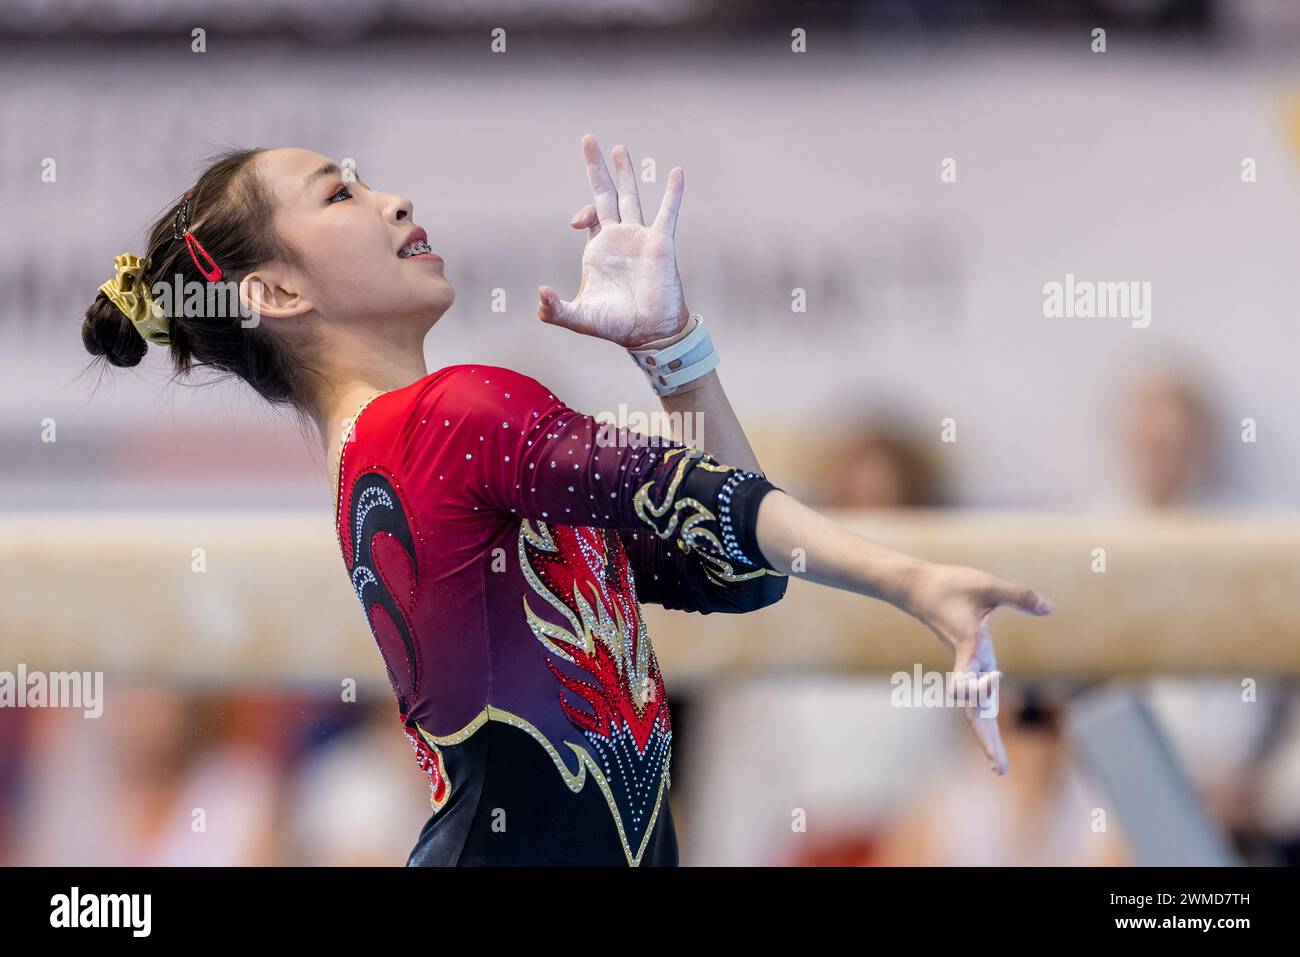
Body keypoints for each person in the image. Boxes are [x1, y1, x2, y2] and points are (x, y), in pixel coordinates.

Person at [81, 136, 1053, 866]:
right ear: (279, 291)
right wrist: (911, 577)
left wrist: (675, 353)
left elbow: (734, 566)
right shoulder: (450, 416)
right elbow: (704, 498)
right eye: (340, 193)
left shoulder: (411, 457)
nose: (392, 198)